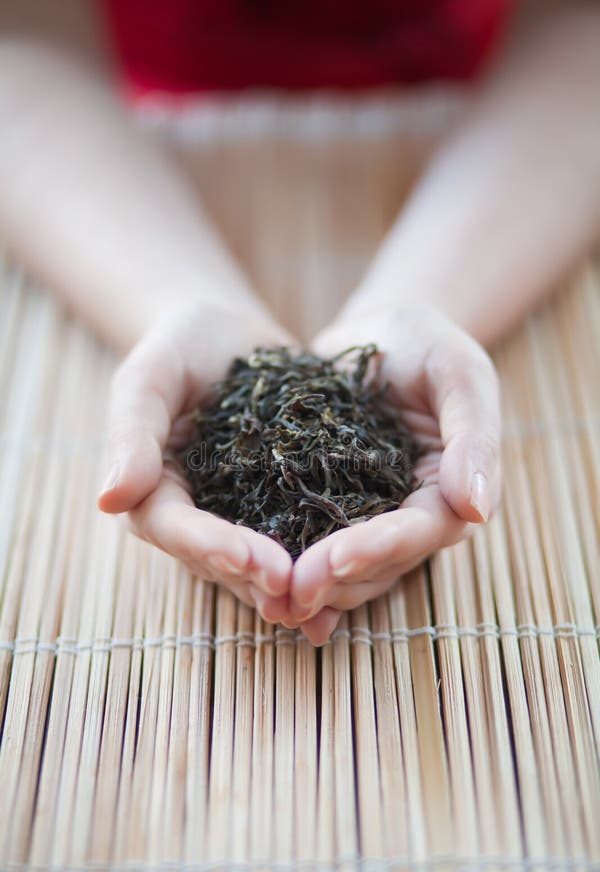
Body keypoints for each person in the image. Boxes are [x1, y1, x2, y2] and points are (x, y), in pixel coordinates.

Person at [0, 1, 599, 645]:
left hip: (499, 146)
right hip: (117, 160)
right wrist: (174, 301)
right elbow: (22, 39)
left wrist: (426, 300)